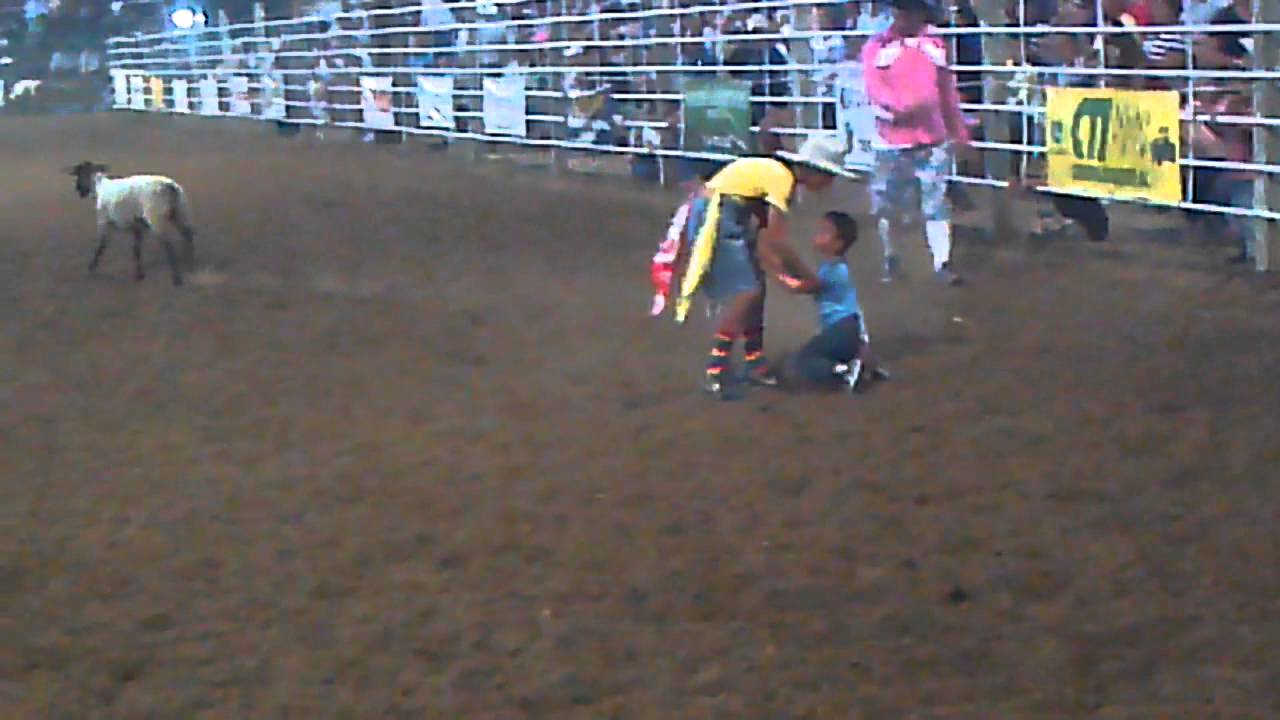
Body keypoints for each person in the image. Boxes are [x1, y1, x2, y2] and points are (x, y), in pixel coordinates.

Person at [674, 136, 851, 397]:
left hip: (723, 211)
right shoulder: (782, 180)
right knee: (749, 292)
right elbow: (776, 241)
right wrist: (800, 278)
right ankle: (716, 368)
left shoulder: (776, 174)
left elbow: (767, 240)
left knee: (755, 289)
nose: (829, 183)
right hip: (719, 213)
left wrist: (785, 275)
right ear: (816, 171)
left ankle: (754, 362)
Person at [862, 0, 970, 286]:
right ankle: (892, 256)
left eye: (909, 9)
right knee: (889, 206)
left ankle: (942, 261)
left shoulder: (934, 46)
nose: (903, 14)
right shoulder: (877, 48)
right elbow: (875, 90)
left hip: (930, 137)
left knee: (935, 202)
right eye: (900, 8)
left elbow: (948, 93)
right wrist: (904, 107)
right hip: (893, 138)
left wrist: (958, 131)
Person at [778, 212, 889, 392]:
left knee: (802, 361)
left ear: (838, 243)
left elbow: (802, 286)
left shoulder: (834, 272)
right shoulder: (835, 268)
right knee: (819, 353)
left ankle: (843, 372)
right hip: (848, 328)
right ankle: (858, 365)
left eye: (824, 232)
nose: (817, 233)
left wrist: (777, 273)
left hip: (840, 329)